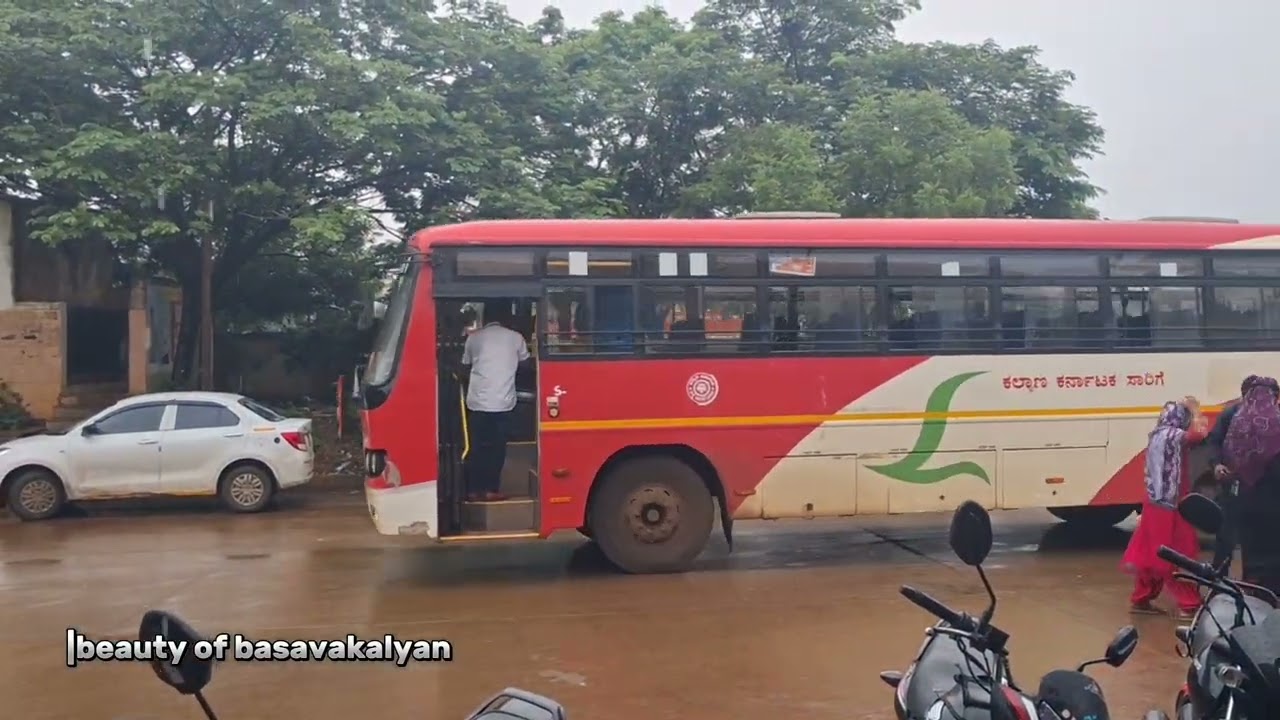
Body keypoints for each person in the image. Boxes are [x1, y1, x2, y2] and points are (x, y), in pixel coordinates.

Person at [1122, 398, 1206, 618]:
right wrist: (1196, 412)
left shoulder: (1157, 434)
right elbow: (1199, 435)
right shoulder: (1174, 436)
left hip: (1154, 503)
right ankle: (1189, 604)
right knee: (1177, 555)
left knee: (1150, 553)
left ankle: (1141, 598)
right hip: (1172, 507)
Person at [460, 301, 530, 502]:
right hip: (503, 403)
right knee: (497, 448)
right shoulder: (516, 338)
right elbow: (526, 365)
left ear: (485, 317)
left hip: (477, 403)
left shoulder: (474, 338)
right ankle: (491, 489)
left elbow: (465, 365)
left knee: (476, 447)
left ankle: (473, 490)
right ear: (507, 317)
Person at [1218, 375, 1280, 593]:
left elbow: (1228, 451)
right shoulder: (1276, 422)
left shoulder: (1239, 422)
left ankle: (1251, 587)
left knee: (1249, 545)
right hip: (1273, 501)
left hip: (1244, 494)